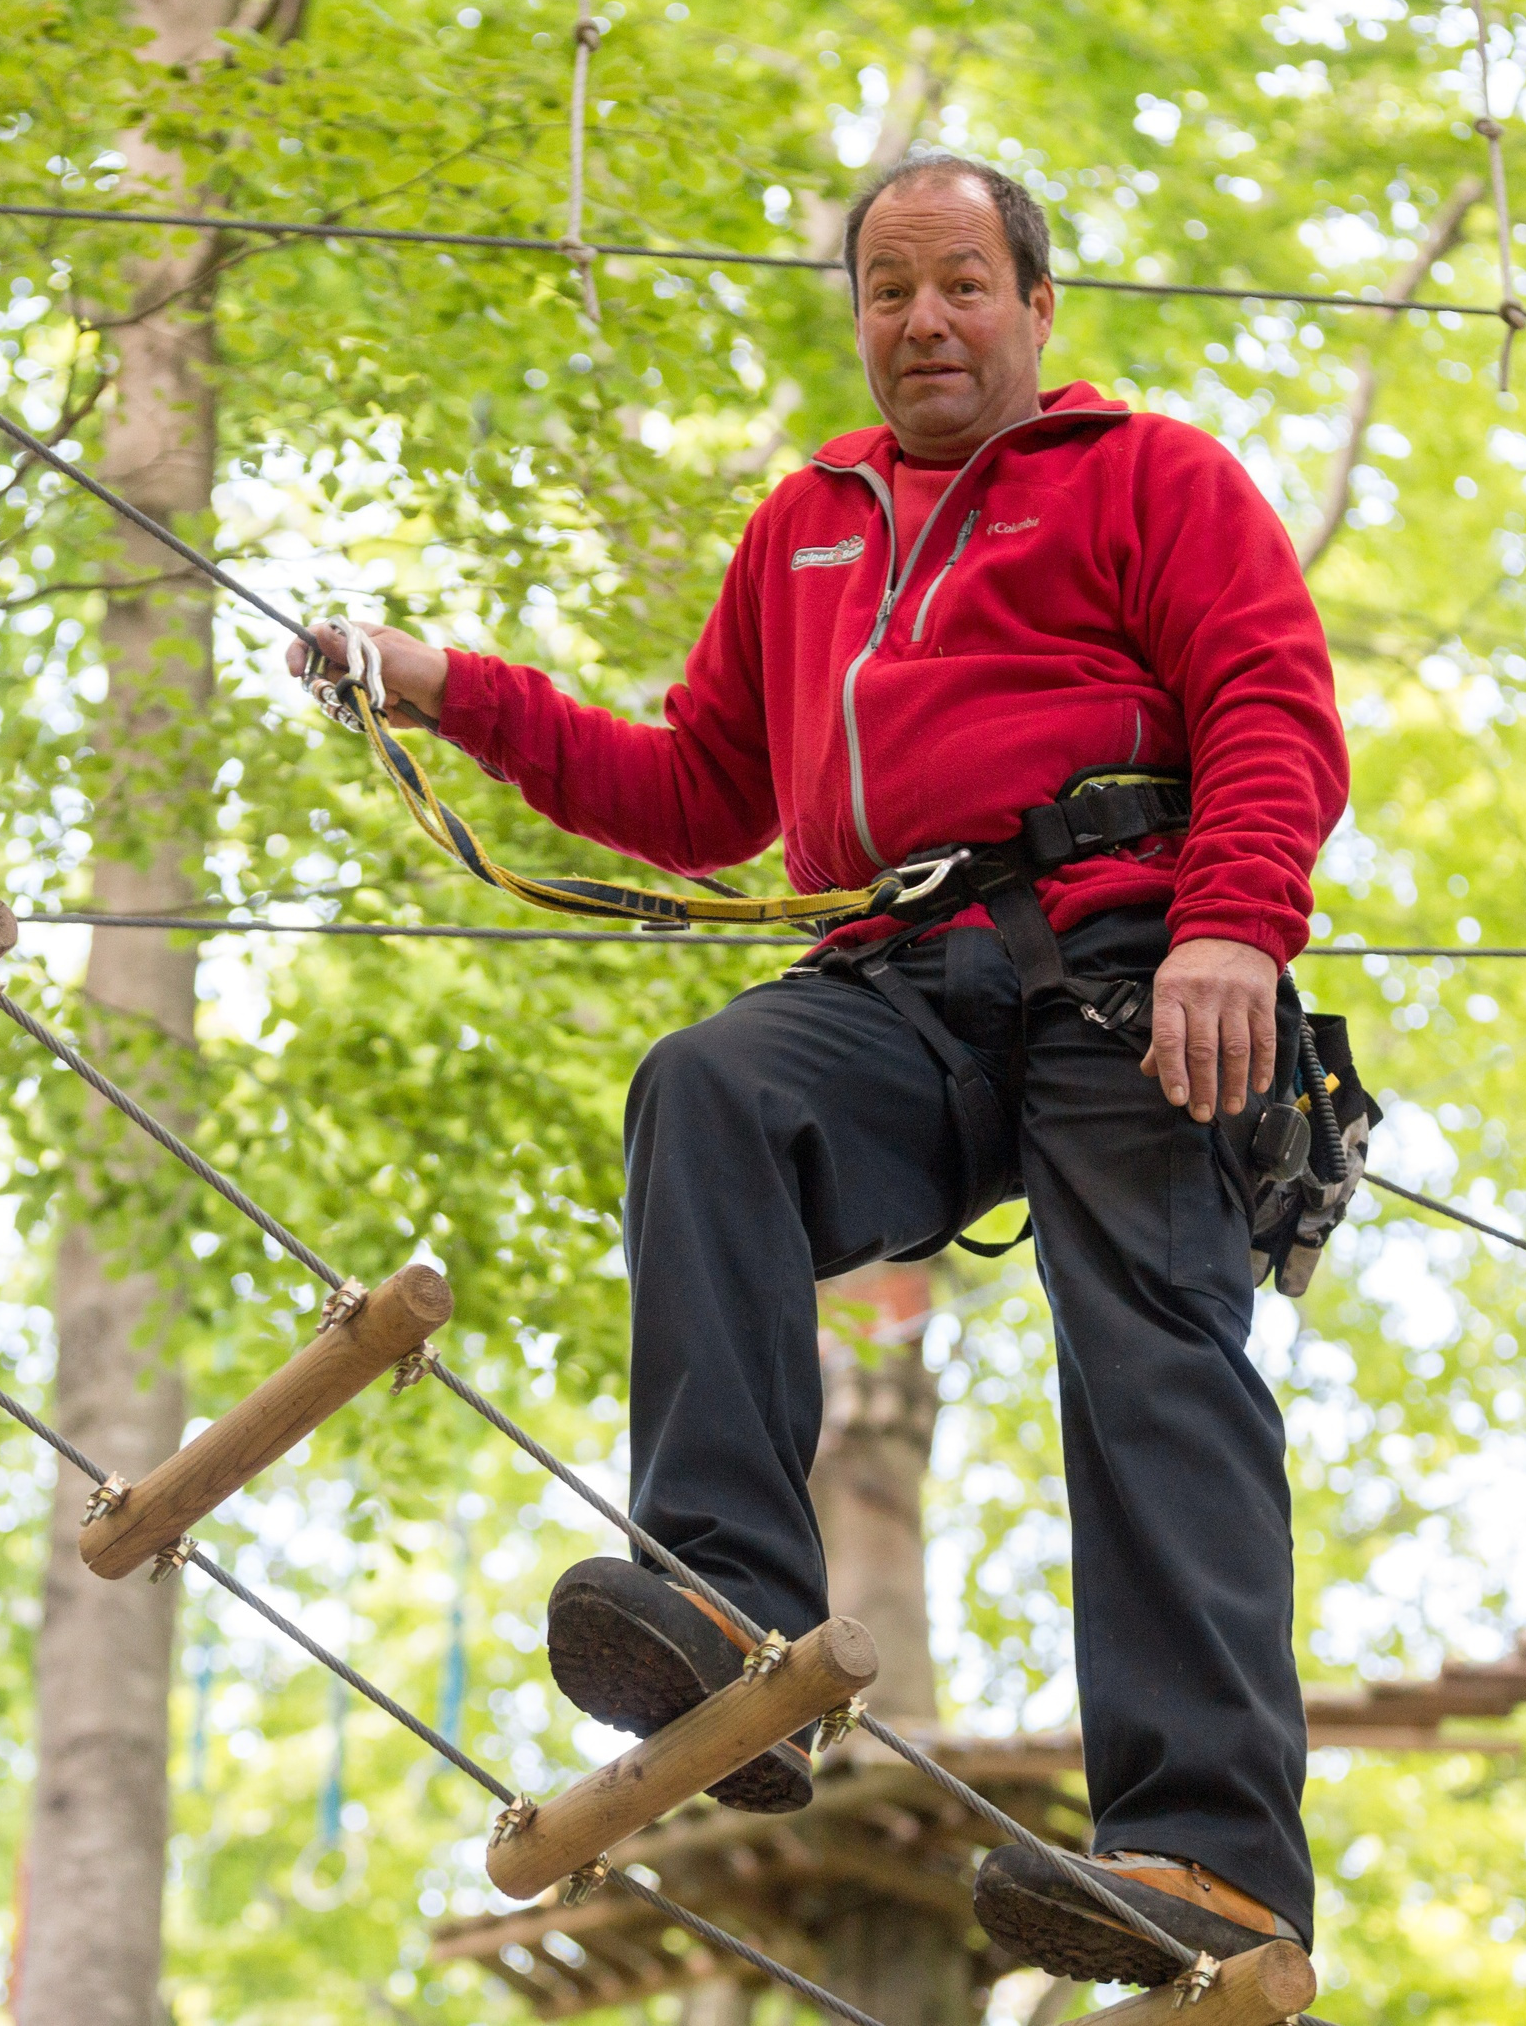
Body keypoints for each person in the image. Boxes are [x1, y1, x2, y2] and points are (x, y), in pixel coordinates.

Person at [285, 155, 1347, 1987]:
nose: (924, 321)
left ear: (1033, 303)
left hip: (1123, 963)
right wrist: (443, 682)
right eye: (887, 292)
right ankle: (732, 1617)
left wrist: (1232, 922)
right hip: (903, 977)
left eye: (961, 286)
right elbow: (698, 791)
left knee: (1156, 1357)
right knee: (712, 1088)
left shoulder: (1146, 476)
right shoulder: (808, 527)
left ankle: (1210, 1853)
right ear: (857, 316)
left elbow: (1268, 697)